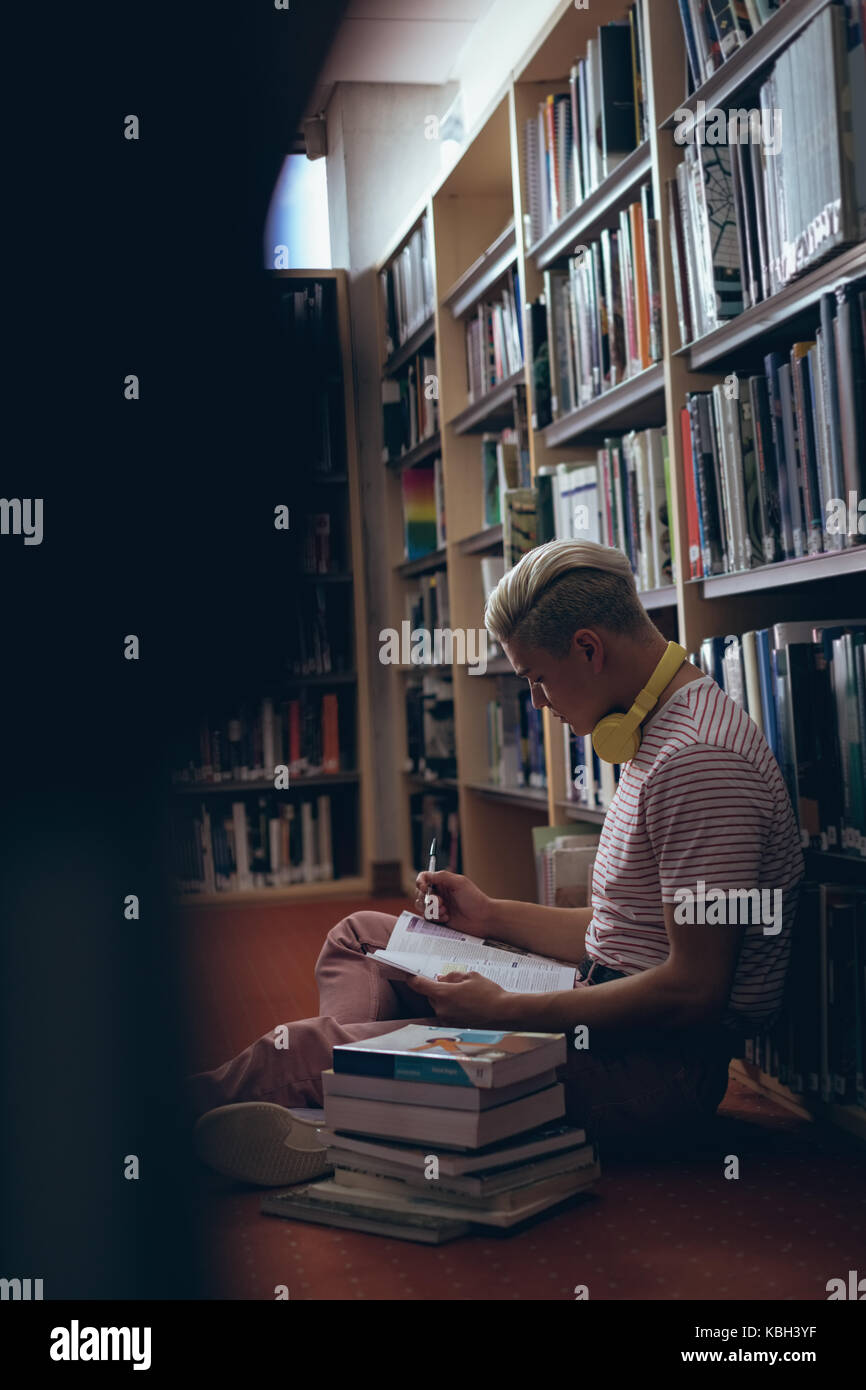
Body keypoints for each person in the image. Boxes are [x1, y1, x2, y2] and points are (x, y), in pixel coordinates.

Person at [189, 540, 804, 1185]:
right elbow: (622, 930)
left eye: (536, 678)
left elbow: (692, 990)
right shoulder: (658, 729)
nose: (537, 701)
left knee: (295, 1051)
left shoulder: (697, 763)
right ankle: (366, 1104)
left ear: (589, 649)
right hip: (599, 997)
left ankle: (181, 1122)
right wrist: (487, 917)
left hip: (652, 1069)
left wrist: (507, 1011)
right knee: (361, 938)